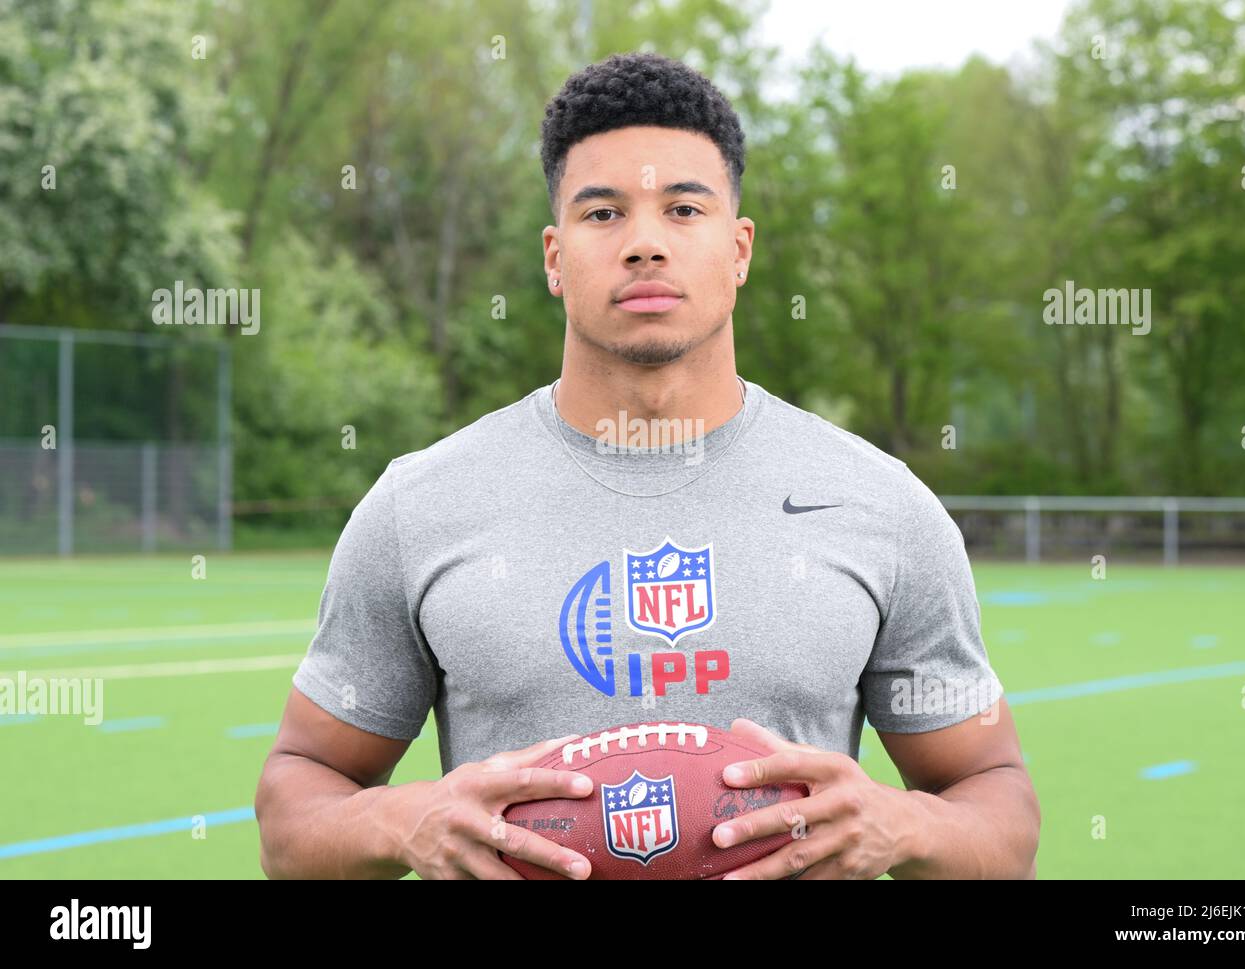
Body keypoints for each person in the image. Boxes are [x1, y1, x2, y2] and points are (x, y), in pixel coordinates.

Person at [254, 51, 1039, 880]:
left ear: (739, 250)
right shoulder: (422, 503)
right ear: (554, 258)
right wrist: (401, 818)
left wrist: (902, 824)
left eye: (683, 209)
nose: (645, 245)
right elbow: (295, 807)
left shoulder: (879, 503)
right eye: (603, 213)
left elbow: (996, 803)